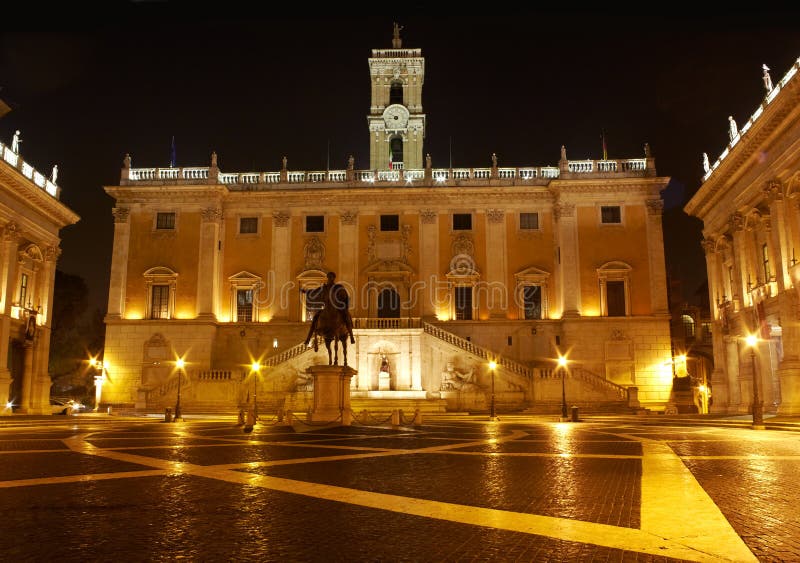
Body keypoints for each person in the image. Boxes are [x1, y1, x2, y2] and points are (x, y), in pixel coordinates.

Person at [306, 272, 355, 344]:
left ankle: (351, 336)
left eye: (331, 277)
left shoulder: (338, 287)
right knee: (315, 318)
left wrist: (344, 303)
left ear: (333, 278)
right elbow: (315, 291)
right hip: (326, 307)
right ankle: (308, 338)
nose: (329, 279)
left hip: (337, 307)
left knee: (346, 315)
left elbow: (345, 295)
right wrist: (306, 291)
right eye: (328, 277)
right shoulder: (324, 287)